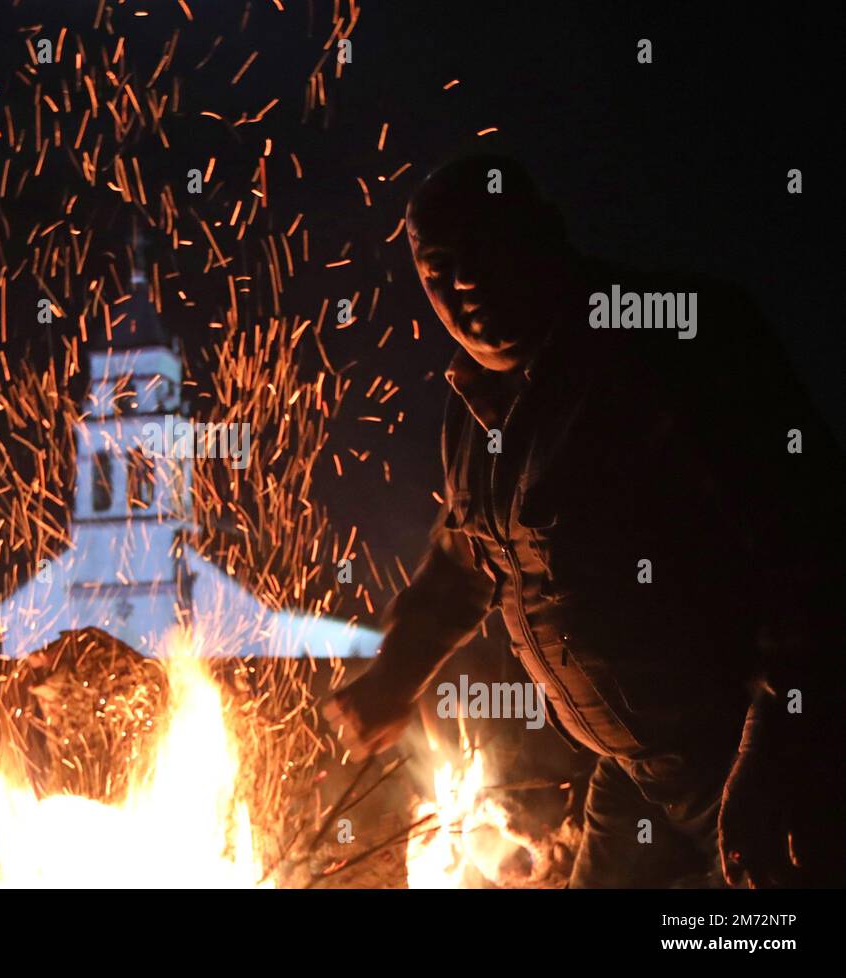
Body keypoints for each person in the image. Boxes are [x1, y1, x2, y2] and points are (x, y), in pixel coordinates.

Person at [325, 154, 845, 887]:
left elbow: (812, 560)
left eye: (485, 249)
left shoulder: (673, 345)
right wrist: (395, 677)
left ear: (544, 234)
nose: (464, 282)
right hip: (635, 774)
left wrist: (777, 755)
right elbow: (465, 563)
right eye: (439, 266)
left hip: (754, 760)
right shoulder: (474, 415)